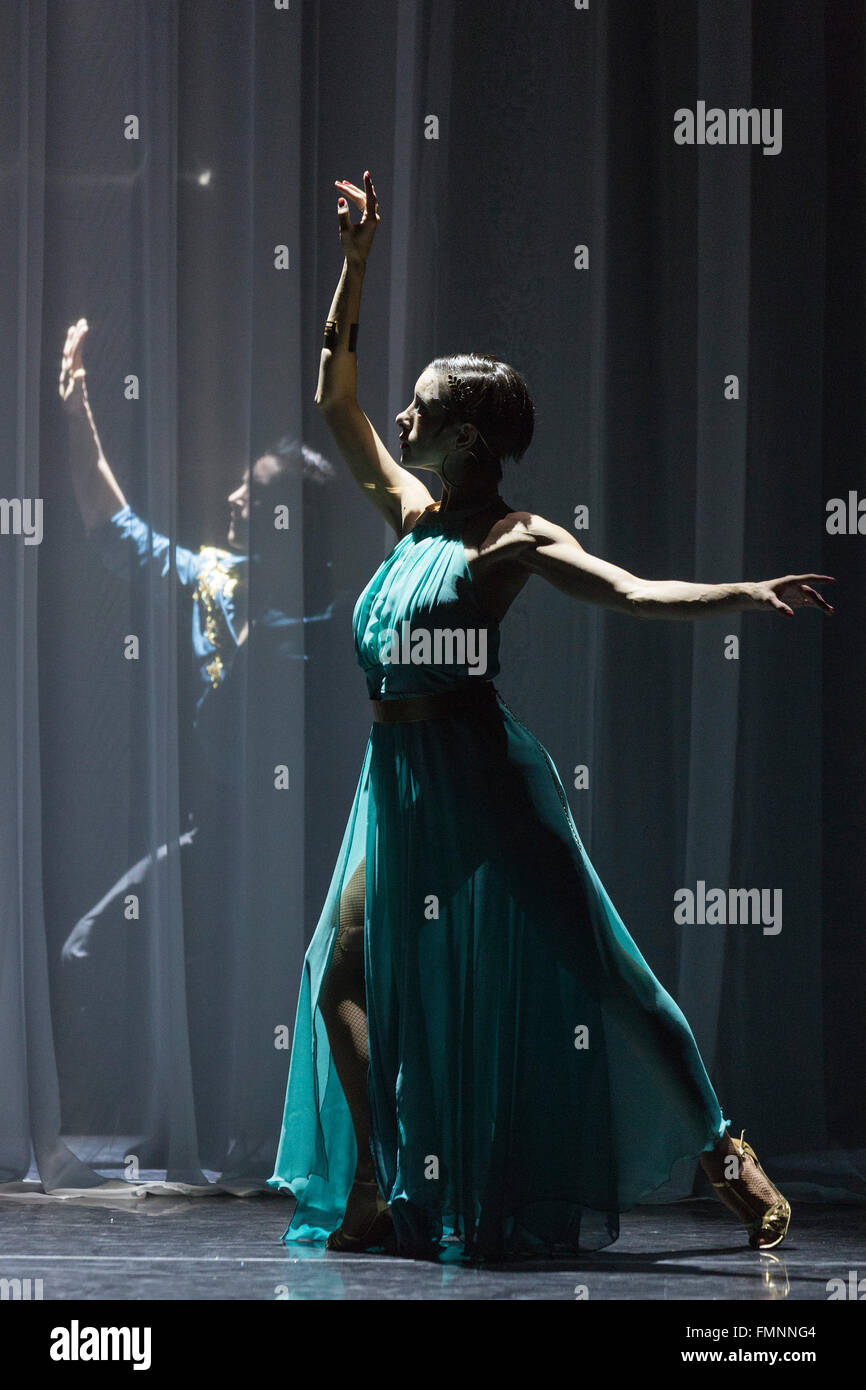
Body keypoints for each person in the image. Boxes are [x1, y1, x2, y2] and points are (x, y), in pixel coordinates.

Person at [267, 170, 834, 1261]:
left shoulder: (512, 540)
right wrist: (353, 261)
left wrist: (739, 592)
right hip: (394, 782)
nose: (401, 414)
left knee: (603, 968)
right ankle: (380, 1184)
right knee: (333, 974)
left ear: (470, 436)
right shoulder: (408, 508)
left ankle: (720, 1148)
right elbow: (333, 401)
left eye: (422, 407)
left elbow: (628, 590)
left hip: (480, 778)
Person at [58, 320, 338, 1174]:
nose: (232, 500)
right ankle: (201, 1126)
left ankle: (293, 1146)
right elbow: (116, 526)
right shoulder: (208, 578)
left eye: (253, 494)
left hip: (303, 855)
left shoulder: (331, 621)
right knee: (86, 949)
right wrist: (78, 412)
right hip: (211, 842)